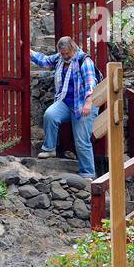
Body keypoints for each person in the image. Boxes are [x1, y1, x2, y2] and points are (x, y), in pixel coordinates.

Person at [30, 36, 99, 178]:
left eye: (67, 53)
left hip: (84, 104)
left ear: (73, 48)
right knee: (50, 115)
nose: (65, 56)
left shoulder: (84, 61)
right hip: (67, 102)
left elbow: (91, 83)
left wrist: (88, 103)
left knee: (82, 140)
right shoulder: (59, 59)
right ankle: (50, 148)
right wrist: (28, 52)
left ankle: (88, 174)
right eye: (62, 54)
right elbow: (44, 60)